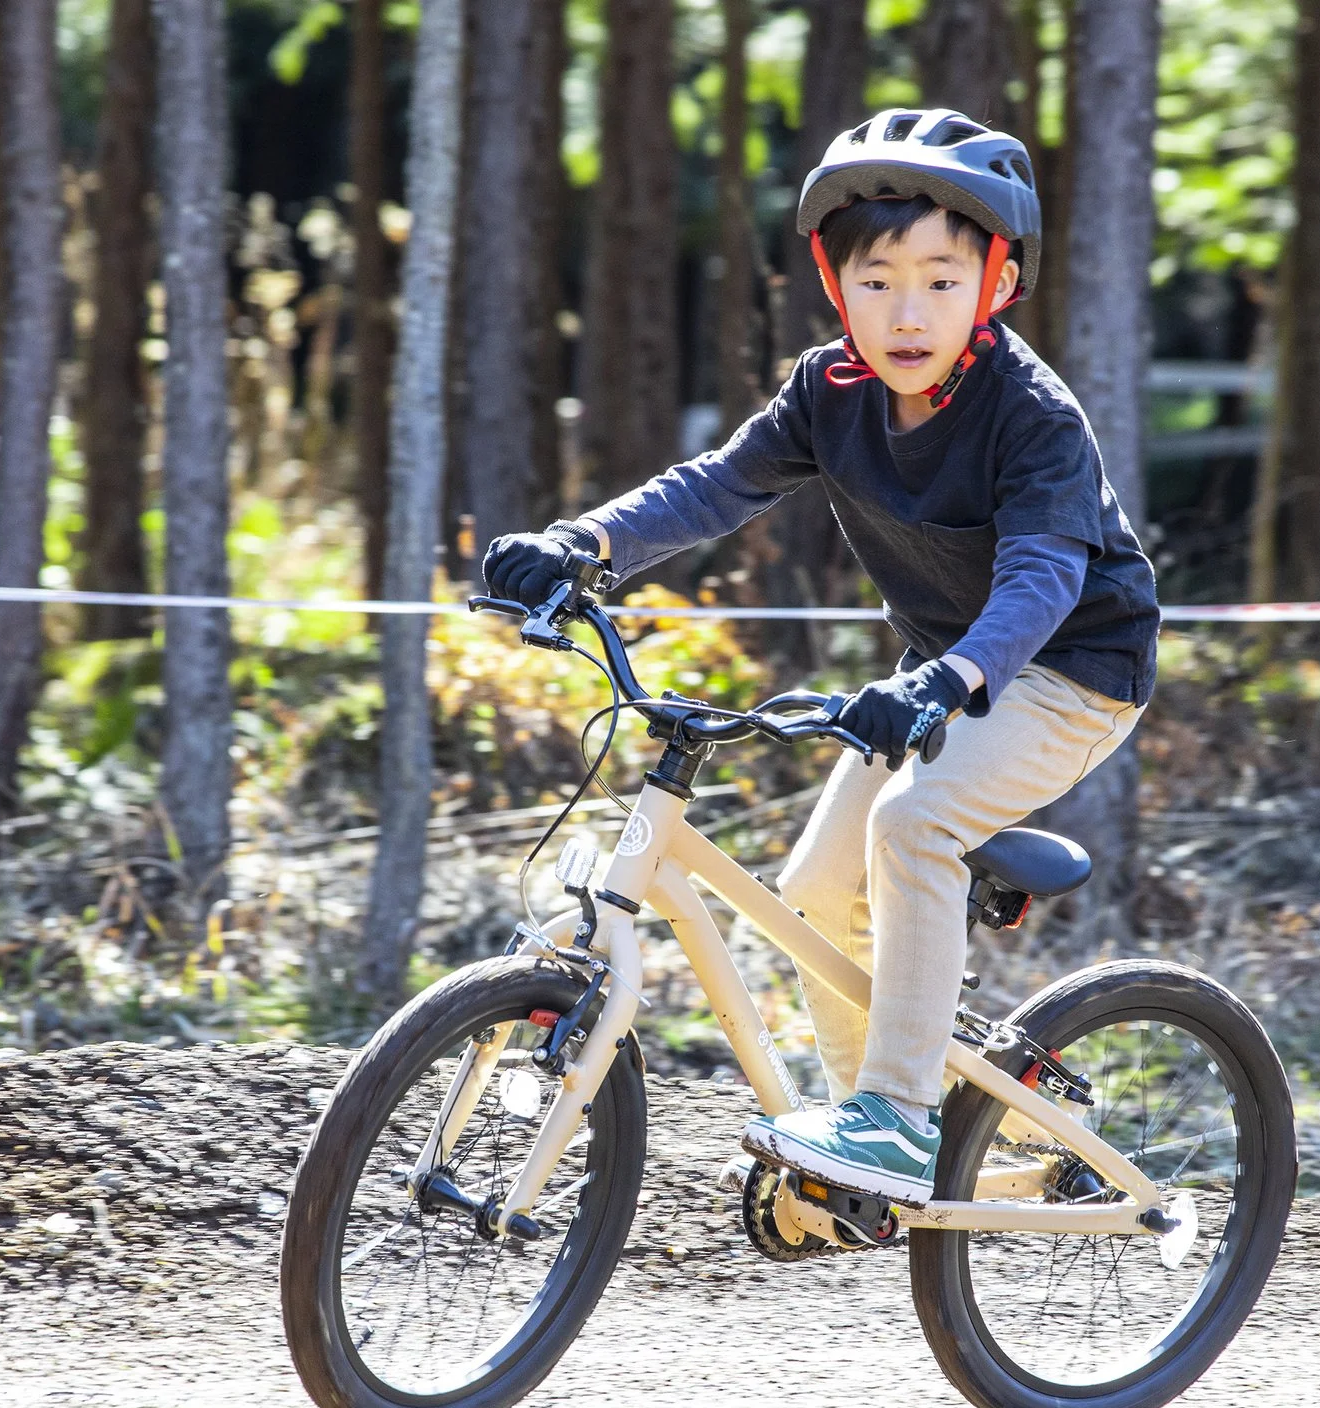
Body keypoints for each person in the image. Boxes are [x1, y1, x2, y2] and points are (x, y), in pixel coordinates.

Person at [481, 108, 1159, 1206]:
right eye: (879, 278)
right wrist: (582, 541)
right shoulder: (827, 390)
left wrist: (947, 680)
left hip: (1067, 671)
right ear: (835, 285)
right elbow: (714, 485)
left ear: (995, 285)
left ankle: (891, 1112)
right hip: (946, 665)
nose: (906, 311)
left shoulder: (1031, 415)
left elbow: (1042, 579)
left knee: (913, 824)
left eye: (942, 280)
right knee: (810, 888)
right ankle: (868, 1147)